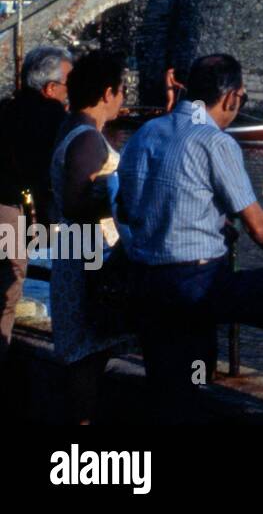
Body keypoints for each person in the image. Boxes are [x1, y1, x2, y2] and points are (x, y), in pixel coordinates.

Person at [117, 54, 263, 424]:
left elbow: (128, 206)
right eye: (241, 100)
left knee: (171, 394)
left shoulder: (145, 133)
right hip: (195, 284)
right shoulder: (214, 142)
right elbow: (258, 226)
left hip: (146, 282)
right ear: (230, 97)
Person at [48, 50, 131, 422]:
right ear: (106, 93)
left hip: (78, 252)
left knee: (87, 350)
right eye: (121, 91)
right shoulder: (87, 139)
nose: (123, 98)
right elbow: (76, 200)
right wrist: (122, 197)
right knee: (86, 354)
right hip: (87, 255)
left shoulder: (76, 130)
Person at [0, 45, 71, 369]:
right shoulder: (53, 117)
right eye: (69, 84)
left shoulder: (6, 108)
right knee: (8, 292)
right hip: (11, 210)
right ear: (51, 88)